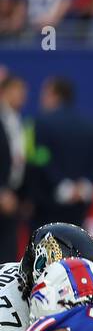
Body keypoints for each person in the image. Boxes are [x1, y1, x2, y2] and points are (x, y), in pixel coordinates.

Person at [25, 77, 93, 229]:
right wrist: (84, 185)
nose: (41, 100)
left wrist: (64, 187)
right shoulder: (91, 126)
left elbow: (41, 160)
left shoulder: (40, 123)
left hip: (47, 206)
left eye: (44, 94)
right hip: (80, 205)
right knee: (74, 248)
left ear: (55, 95)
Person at [0, 73, 27, 260]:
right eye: (18, 91)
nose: (22, 97)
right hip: (3, 194)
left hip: (13, 195)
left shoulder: (17, 121)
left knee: (8, 255)